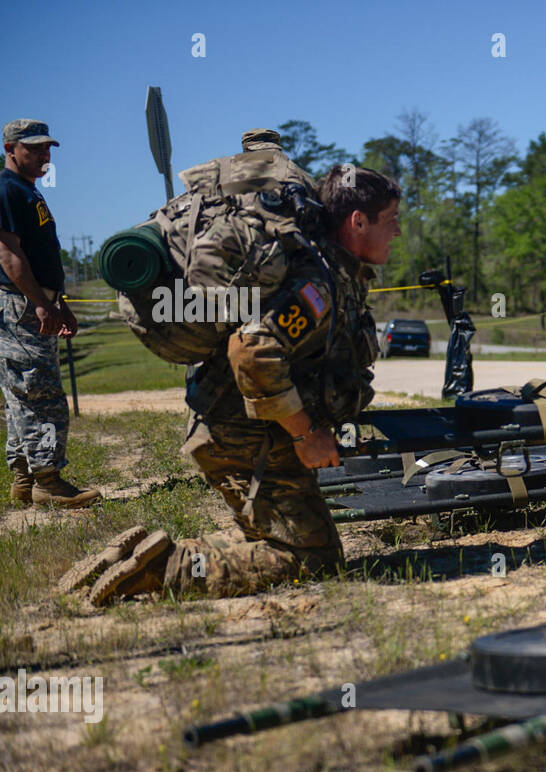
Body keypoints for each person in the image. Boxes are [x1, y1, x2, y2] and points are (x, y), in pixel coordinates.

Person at [64, 146, 401, 604]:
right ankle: (165, 569)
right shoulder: (317, 285)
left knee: (281, 540)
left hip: (246, 436)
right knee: (311, 557)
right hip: (246, 442)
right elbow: (252, 352)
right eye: (391, 219)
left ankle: (130, 554)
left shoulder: (330, 271)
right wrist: (305, 436)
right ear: (358, 221)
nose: (398, 231)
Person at [0, 119, 100, 508]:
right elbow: (9, 255)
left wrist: (60, 303)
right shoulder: (7, 189)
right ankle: (48, 482)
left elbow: (39, 258)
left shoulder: (28, 191)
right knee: (41, 394)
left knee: (21, 393)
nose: (45, 155)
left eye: (48, 149)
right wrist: (40, 303)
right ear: (10, 148)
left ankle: (24, 479)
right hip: (21, 304)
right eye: (35, 148)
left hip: (35, 302)